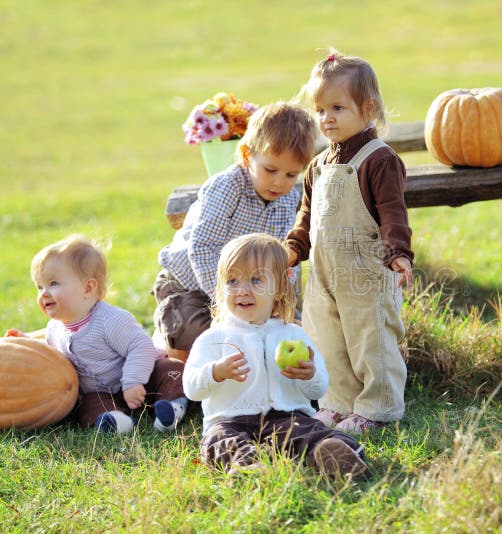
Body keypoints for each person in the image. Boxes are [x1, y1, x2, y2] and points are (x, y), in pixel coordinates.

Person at [285, 48, 414, 434]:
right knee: (329, 341)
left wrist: (398, 255)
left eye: (337, 108)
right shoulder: (319, 164)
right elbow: (306, 216)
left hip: (366, 274)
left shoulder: (379, 160)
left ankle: (378, 408)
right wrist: (293, 248)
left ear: (369, 107)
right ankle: (337, 405)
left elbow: (393, 212)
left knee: (370, 340)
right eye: (320, 110)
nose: (326, 118)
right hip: (325, 275)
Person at [183, 233, 368, 478]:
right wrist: (215, 372)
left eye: (256, 280)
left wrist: (309, 374)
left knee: (311, 431)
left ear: (280, 287)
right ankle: (248, 468)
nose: (243, 290)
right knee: (220, 441)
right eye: (233, 281)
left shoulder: (293, 335)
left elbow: (318, 390)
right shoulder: (214, 338)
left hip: (286, 418)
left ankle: (331, 455)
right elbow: (191, 388)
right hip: (231, 421)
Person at [153, 101, 318, 362]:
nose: (279, 182)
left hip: (243, 290)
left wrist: (280, 301)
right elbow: (203, 248)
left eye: (291, 175)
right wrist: (226, 307)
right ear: (246, 155)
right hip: (190, 283)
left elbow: (284, 256)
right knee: (198, 332)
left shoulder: (286, 200)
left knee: (285, 331)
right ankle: (167, 352)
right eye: (270, 170)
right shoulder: (229, 187)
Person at [19, 234, 188, 434]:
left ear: (88, 288)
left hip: (145, 376)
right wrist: (25, 342)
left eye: (53, 283)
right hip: (103, 393)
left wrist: (133, 381)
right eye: (40, 287)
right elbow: (51, 354)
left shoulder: (110, 320)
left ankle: (171, 407)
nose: (44, 293)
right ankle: (116, 421)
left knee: (172, 370)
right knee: (89, 405)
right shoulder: (55, 329)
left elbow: (140, 346)